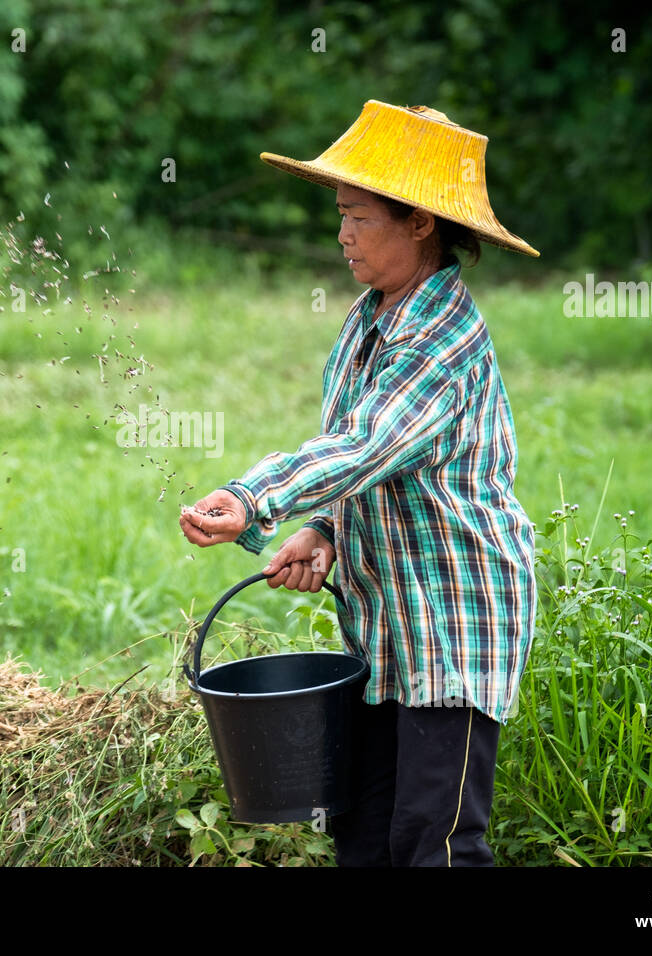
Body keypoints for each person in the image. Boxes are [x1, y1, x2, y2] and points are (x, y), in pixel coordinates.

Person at [178, 101, 540, 867]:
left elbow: (365, 444)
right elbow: (371, 464)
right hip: (385, 629)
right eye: (339, 215)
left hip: (452, 624)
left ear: (420, 224)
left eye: (359, 217)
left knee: (433, 839)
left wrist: (254, 497)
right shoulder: (371, 316)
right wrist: (327, 532)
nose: (342, 234)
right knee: (363, 832)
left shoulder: (440, 339)